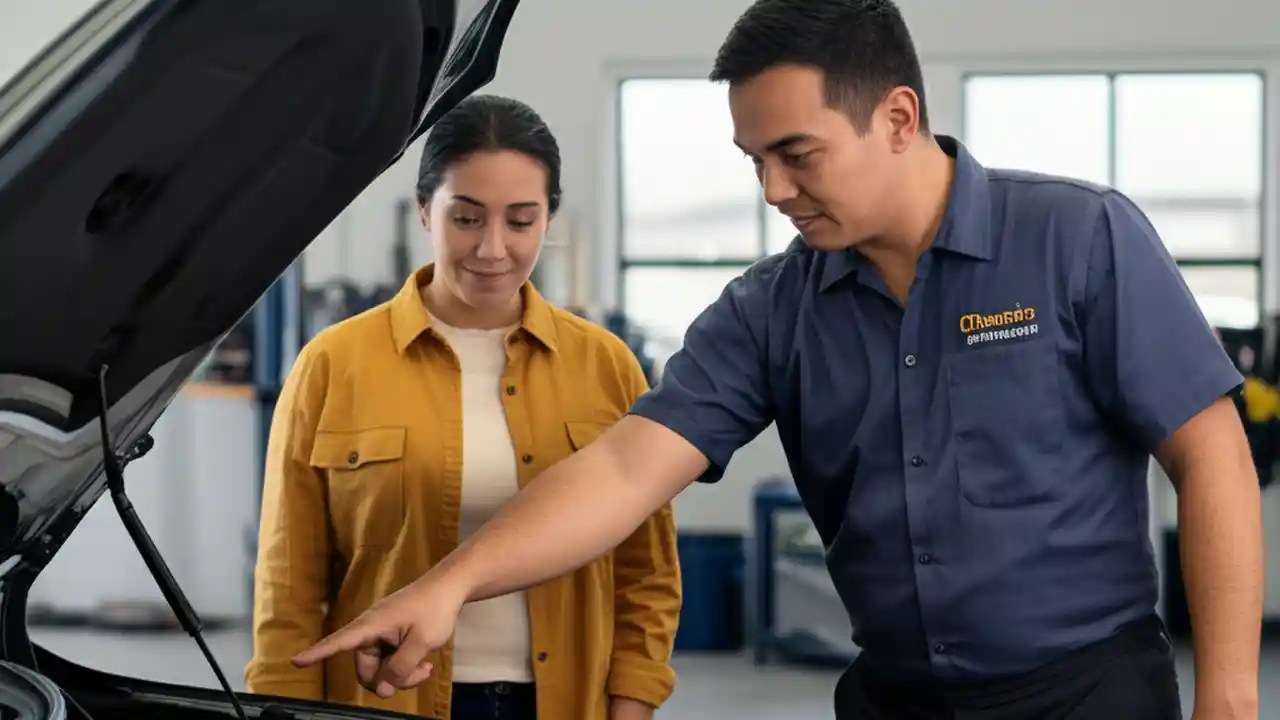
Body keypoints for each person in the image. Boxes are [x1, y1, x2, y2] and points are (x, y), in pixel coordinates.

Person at [292, 1, 1266, 718]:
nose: (771, 189)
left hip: (1087, 695)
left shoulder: (1076, 239)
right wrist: (448, 584)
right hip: (893, 699)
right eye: (752, 159)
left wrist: (1223, 698)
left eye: (795, 154)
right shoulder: (771, 309)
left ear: (894, 117)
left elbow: (1208, 453)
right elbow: (624, 467)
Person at [244, 94, 682, 720]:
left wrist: (634, 701)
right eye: (467, 218)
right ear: (426, 210)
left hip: (564, 703)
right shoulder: (333, 364)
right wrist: (282, 709)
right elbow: (289, 586)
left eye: (521, 220)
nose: (493, 249)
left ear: (548, 221)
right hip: (388, 702)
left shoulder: (604, 365)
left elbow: (647, 569)